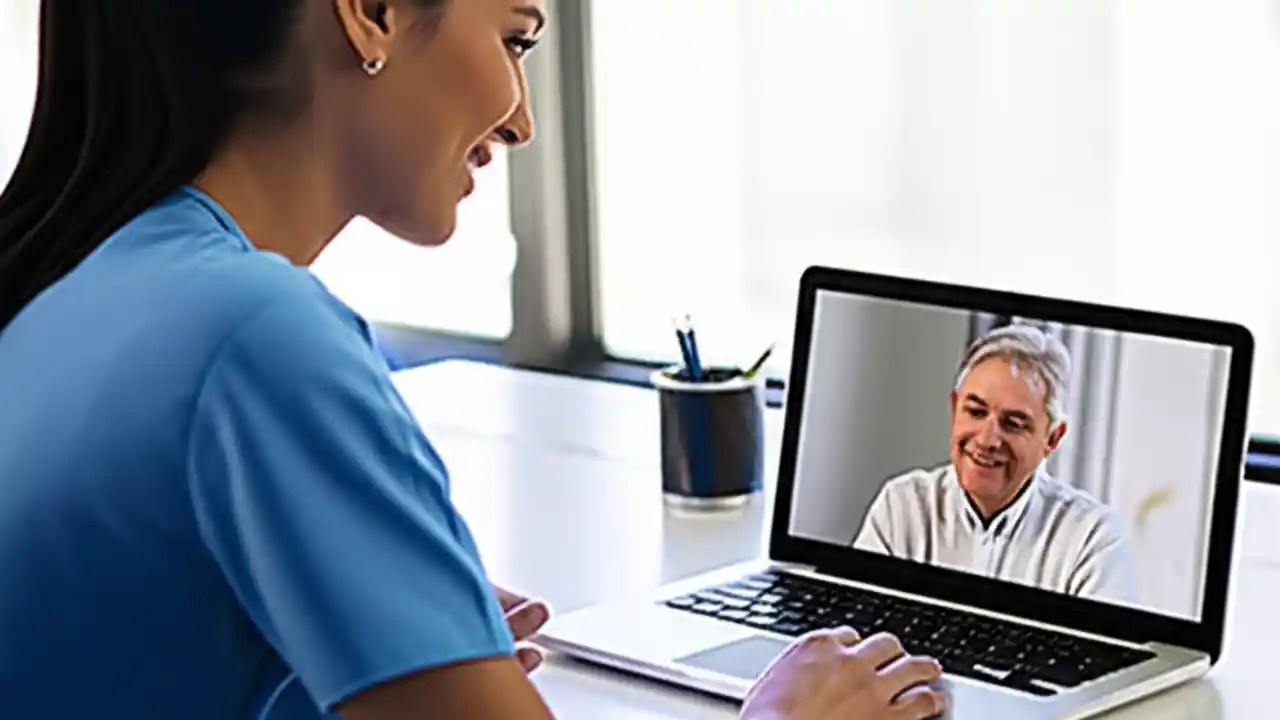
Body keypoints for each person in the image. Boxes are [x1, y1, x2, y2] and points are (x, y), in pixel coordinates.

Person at [0, 1, 946, 718]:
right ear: (370, 13)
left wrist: (350, 624)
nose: (521, 120)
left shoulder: (80, 283)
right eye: (515, 41)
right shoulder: (257, 337)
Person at [853, 324, 1139, 605]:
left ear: (1051, 439)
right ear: (954, 408)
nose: (987, 440)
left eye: (1013, 424)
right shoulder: (902, 506)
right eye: (975, 412)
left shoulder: (1093, 539)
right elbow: (856, 621)